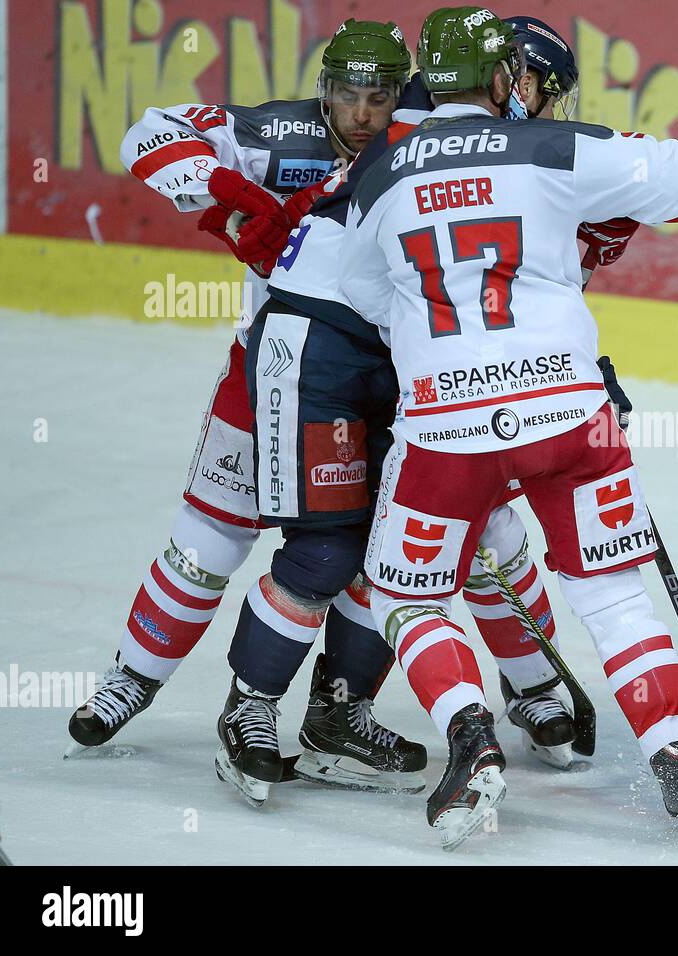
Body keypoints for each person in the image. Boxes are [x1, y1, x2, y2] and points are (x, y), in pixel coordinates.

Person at [340, 6, 678, 849]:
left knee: (406, 592)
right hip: (569, 412)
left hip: (446, 423)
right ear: (507, 79)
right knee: (612, 591)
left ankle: (471, 737)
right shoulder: (552, 148)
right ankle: (674, 751)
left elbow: (366, 295)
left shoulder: (379, 171)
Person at [69, 21, 427, 786]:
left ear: (401, 93)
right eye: (344, 94)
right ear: (322, 87)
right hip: (273, 366)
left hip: (393, 388)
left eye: (378, 97)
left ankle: (340, 712)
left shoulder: (423, 136)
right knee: (211, 538)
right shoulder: (277, 133)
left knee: (379, 558)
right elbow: (149, 132)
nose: (360, 114)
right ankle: (134, 676)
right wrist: (227, 195)